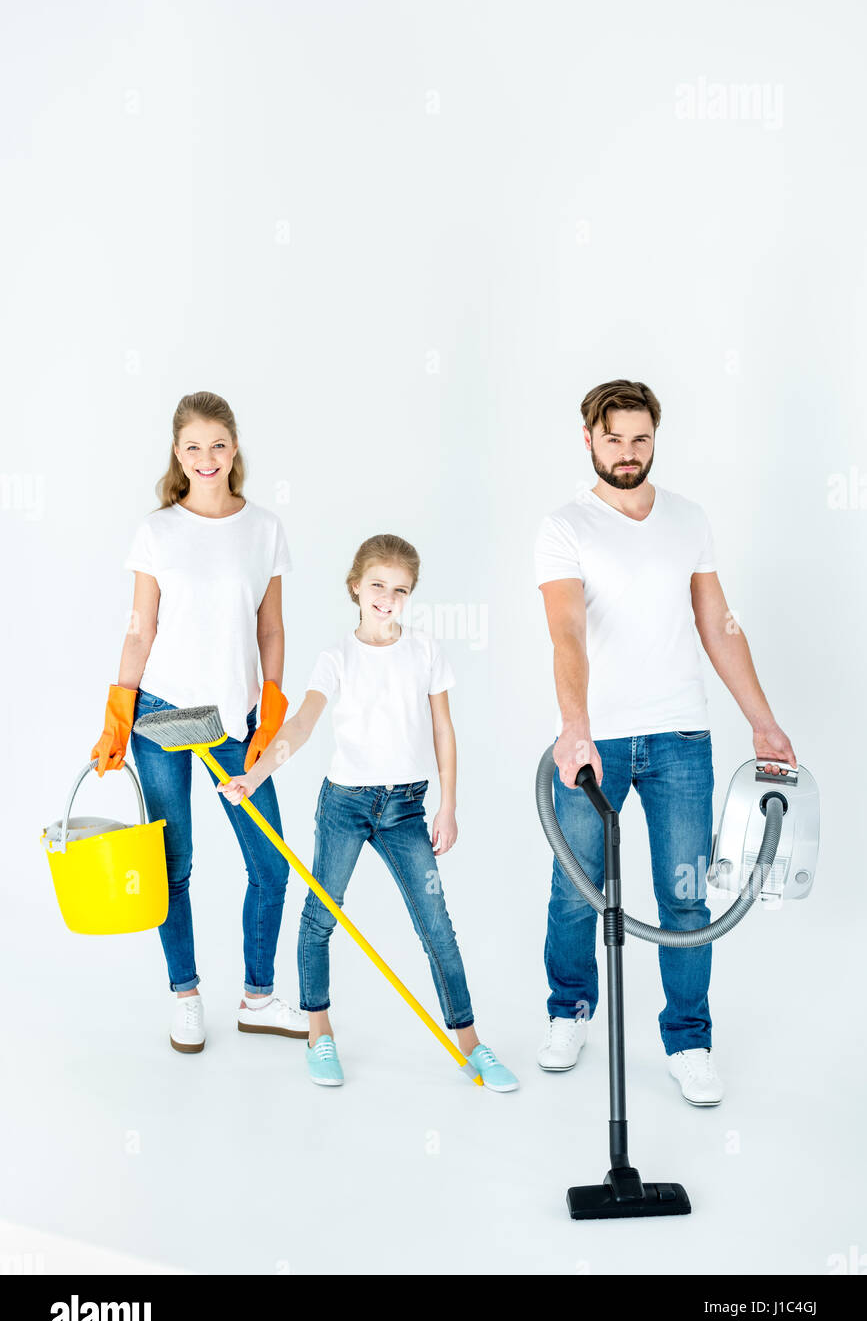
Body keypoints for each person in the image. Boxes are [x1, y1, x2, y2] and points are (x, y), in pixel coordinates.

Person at [534, 378, 796, 1105]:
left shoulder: (688, 519)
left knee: (685, 898)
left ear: (655, 439)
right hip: (596, 745)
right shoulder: (564, 527)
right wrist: (575, 726)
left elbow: (719, 625)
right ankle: (568, 1012)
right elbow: (566, 633)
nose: (627, 452)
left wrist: (761, 718)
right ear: (587, 439)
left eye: (639, 438)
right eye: (612, 438)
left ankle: (688, 1039)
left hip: (681, 736)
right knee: (574, 892)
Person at [217, 533, 519, 1092]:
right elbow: (302, 724)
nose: (387, 597)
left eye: (400, 589)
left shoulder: (426, 651)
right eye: (377, 585)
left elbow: (443, 732)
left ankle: (473, 1044)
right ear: (355, 587)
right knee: (319, 919)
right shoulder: (337, 657)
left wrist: (449, 807)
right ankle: (318, 1032)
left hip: (407, 809)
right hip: (345, 806)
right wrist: (254, 775)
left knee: (438, 928)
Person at [90, 390, 308, 1054]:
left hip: (232, 719)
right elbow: (140, 631)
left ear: (234, 448)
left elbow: (270, 626)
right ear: (177, 455)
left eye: (218, 445)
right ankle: (185, 995)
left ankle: (258, 998)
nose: (206, 458)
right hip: (161, 714)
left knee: (269, 867)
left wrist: (271, 702)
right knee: (173, 866)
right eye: (193, 447)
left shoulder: (263, 528)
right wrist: (118, 715)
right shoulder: (157, 531)